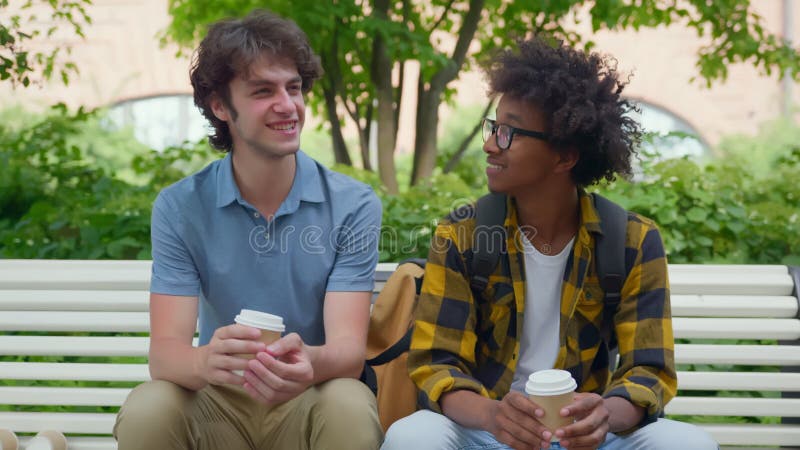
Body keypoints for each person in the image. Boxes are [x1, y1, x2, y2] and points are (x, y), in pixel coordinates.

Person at [382, 38, 718, 450]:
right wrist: (494, 415)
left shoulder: (632, 241)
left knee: (686, 444)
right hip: (488, 431)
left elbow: (649, 371)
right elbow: (438, 364)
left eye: (508, 133)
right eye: (494, 127)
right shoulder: (461, 234)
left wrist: (603, 415)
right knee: (412, 437)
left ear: (564, 158)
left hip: (589, 436)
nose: (490, 144)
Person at [113, 10, 383, 450]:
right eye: (263, 91)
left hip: (306, 399)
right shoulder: (181, 207)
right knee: (150, 406)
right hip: (216, 404)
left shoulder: (353, 205)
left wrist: (304, 363)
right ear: (220, 106)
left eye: (293, 88)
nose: (287, 105)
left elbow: (348, 353)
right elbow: (165, 354)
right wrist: (205, 363)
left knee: (348, 402)